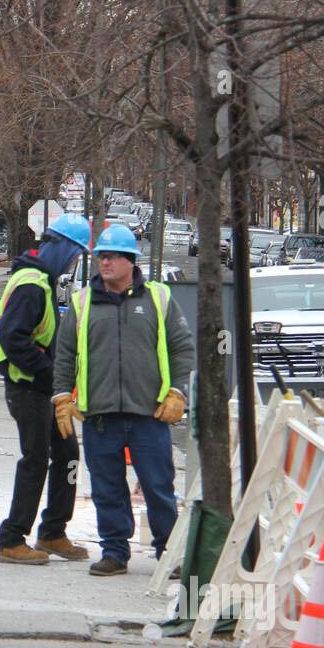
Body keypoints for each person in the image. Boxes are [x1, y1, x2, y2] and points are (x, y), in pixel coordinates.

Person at [51, 224, 194, 577]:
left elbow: (182, 348)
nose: (105, 263)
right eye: (101, 257)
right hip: (100, 415)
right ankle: (115, 552)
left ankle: (168, 551)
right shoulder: (83, 302)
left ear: (130, 261)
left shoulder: (158, 299)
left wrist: (178, 391)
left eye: (112, 257)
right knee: (107, 488)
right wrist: (61, 397)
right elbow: (65, 353)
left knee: (158, 486)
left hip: (149, 413)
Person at [0, 213, 91, 565]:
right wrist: (49, 374)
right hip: (29, 388)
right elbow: (12, 337)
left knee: (67, 456)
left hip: (41, 388)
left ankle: (53, 532)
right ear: (62, 247)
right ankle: (12, 538)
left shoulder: (41, 280)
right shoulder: (33, 285)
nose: (75, 261)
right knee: (35, 460)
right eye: (76, 253)